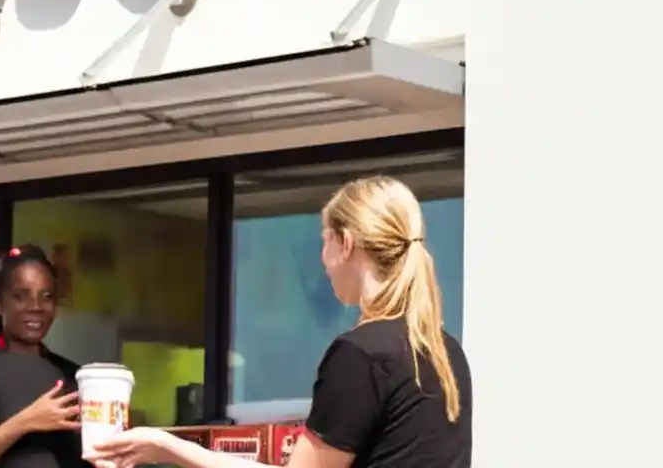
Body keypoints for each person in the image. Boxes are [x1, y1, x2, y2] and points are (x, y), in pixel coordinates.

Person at [87, 176, 473, 468]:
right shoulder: (445, 352)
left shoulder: (362, 355)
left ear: (347, 243)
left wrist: (168, 446)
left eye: (323, 240)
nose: (321, 259)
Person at [0, 244, 91, 468]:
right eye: (21, 296)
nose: (36, 307)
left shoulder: (74, 375)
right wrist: (26, 421)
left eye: (46, 296)